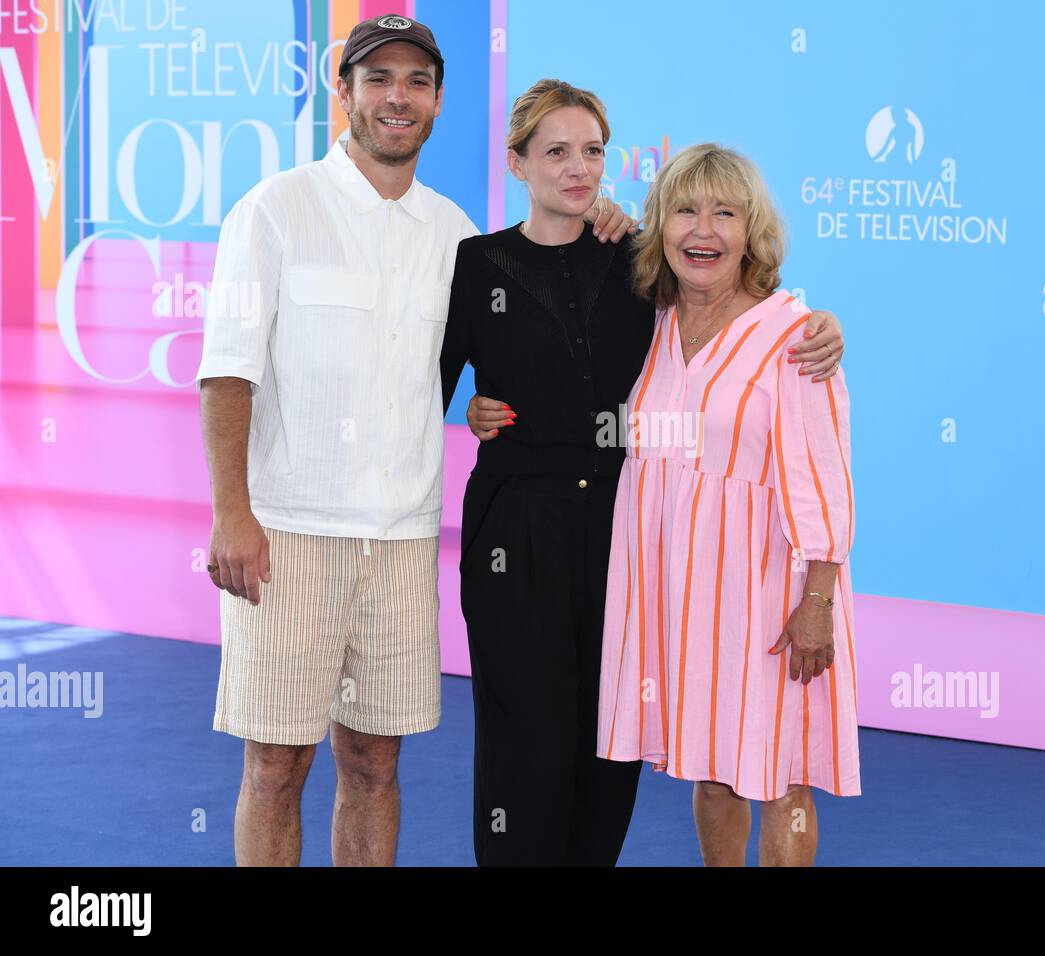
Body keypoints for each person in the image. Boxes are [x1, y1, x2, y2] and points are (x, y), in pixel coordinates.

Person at [195, 17, 632, 867]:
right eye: (379, 78)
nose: (399, 97)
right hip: (289, 535)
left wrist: (480, 411)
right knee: (276, 766)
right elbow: (226, 373)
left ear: (436, 102)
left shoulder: (456, 236)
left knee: (374, 763)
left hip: (401, 541)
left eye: (418, 82)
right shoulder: (274, 211)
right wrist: (231, 515)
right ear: (345, 91)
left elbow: (492, 363)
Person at [443, 81, 846, 866]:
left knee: (725, 757)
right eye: (556, 150)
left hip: (700, 563)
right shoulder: (520, 272)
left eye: (592, 150)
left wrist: (824, 326)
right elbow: (438, 382)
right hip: (595, 554)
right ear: (516, 161)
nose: (577, 167)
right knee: (655, 757)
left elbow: (815, 464)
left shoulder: (731, 307)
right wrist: (476, 410)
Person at [595, 143, 859, 867]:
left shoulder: (794, 338)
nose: (701, 230)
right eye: (684, 210)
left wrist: (818, 603)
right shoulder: (648, 324)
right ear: (660, 225)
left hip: (772, 590)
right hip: (682, 594)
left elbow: (823, 481)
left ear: (752, 232)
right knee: (712, 771)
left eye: (724, 213)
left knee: (783, 777)